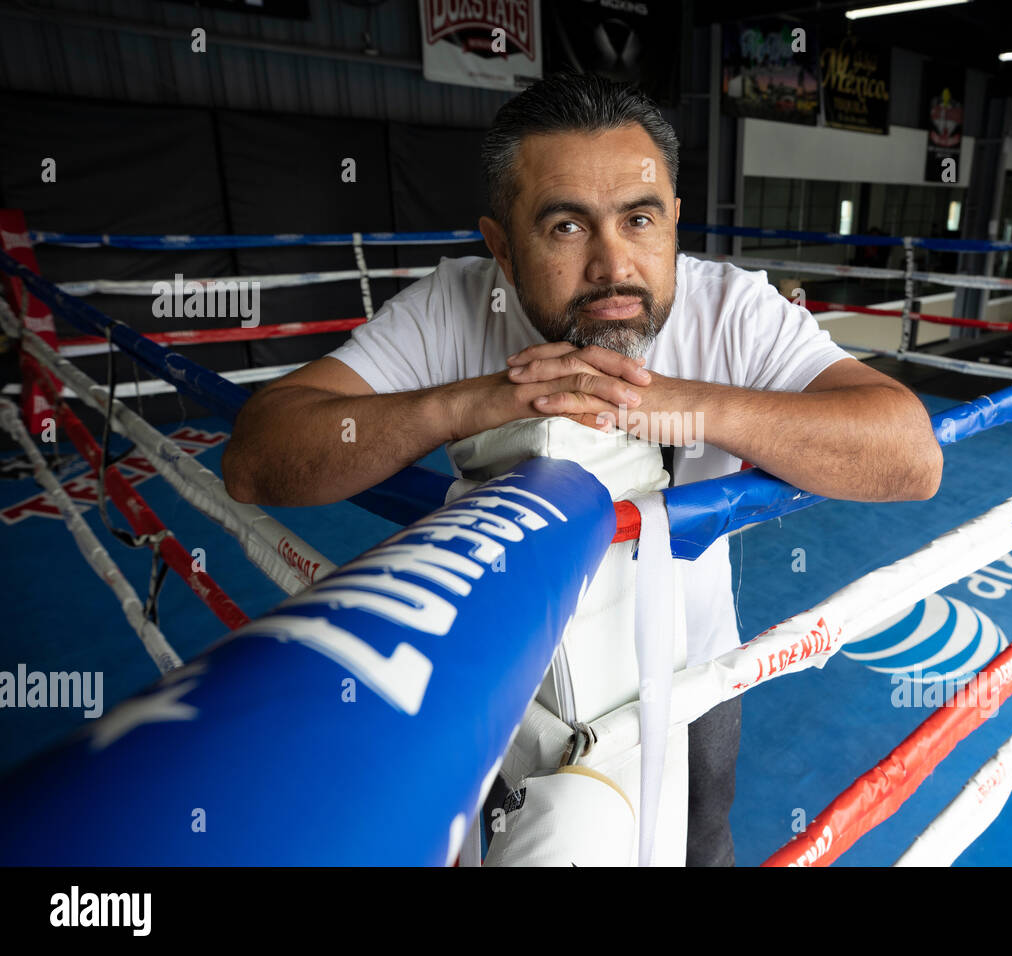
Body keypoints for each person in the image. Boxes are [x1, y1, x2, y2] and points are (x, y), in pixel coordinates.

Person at [221, 72, 943, 866]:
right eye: (566, 227)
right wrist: (472, 403)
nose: (612, 264)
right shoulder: (457, 304)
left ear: (672, 219)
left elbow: (909, 454)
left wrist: (676, 405)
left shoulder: (729, 308)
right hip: (500, 662)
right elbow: (258, 459)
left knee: (701, 843)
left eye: (639, 220)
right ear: (500, 246)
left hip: (691, 668)